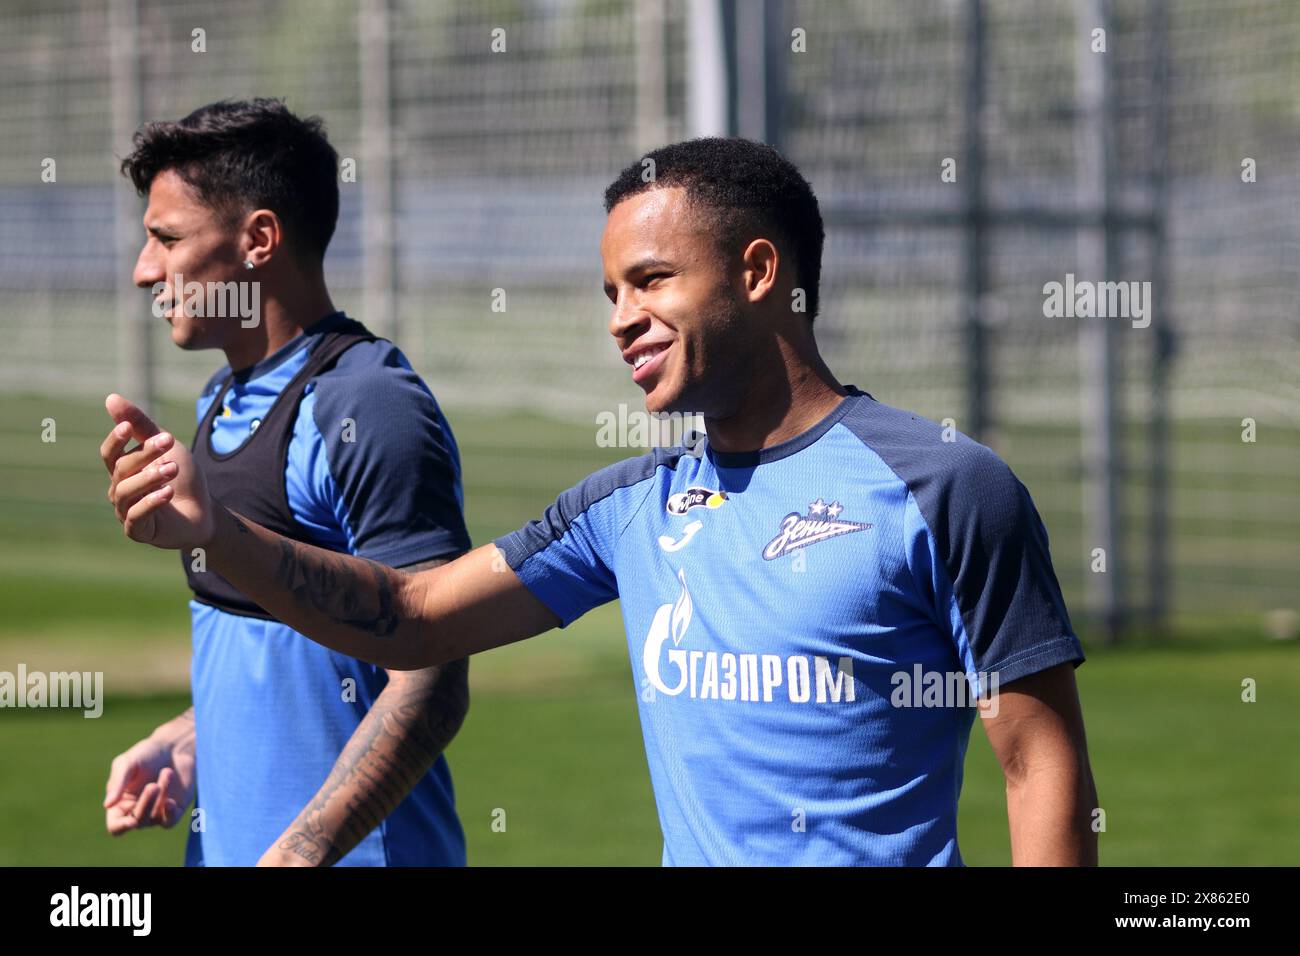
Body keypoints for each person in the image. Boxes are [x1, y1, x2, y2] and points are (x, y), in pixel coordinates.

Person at [102, 137, 1098, 866]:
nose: (622, 320)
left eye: (650, 280)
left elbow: (1036, 767)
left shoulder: (945, 485)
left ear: (757, 272)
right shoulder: (630, 504)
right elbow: (410, 619)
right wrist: (216, 532)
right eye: (609, 292)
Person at [101, 98, 471, 867]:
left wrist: (304, 848)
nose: (145, 272)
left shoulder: (368, 403)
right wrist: (190, 738)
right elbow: (287, 651)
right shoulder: (219, 399)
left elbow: (433, 676)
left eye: (166, 239)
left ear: (258, 240)